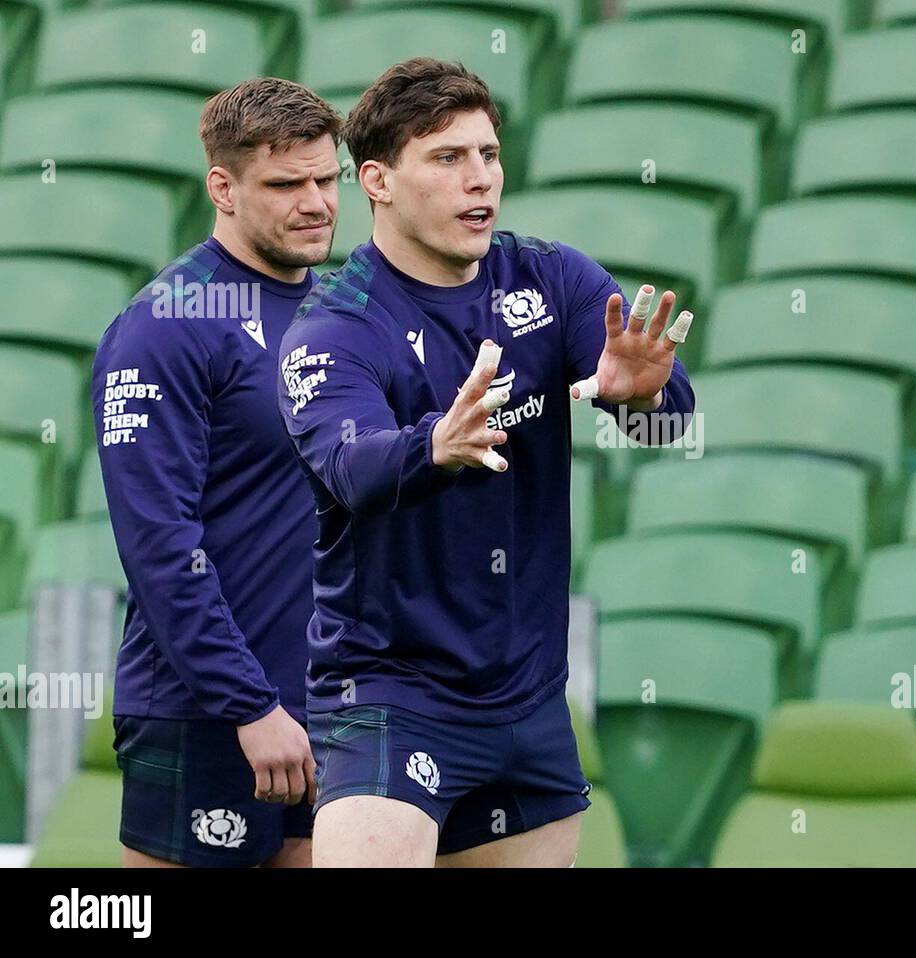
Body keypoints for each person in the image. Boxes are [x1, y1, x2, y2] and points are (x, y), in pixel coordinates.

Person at [277, 57, 696, 867]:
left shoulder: (554, 278)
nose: (480, 180)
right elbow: (348, 469)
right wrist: (433, 446)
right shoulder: (333, 327)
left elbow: (665, 427)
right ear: (378, 181)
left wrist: (642, 399)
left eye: (489, 155)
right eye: (447, 158)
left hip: (527, 701)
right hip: (391, 696)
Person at [93, 77, 342, 867]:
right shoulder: (165, 325)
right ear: (223, 187)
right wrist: (249, 704)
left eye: (327, 179)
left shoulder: (344, 310)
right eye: (285, 184)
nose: (316, 203)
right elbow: (159, 542)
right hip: (209, 714)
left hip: (337, 708)